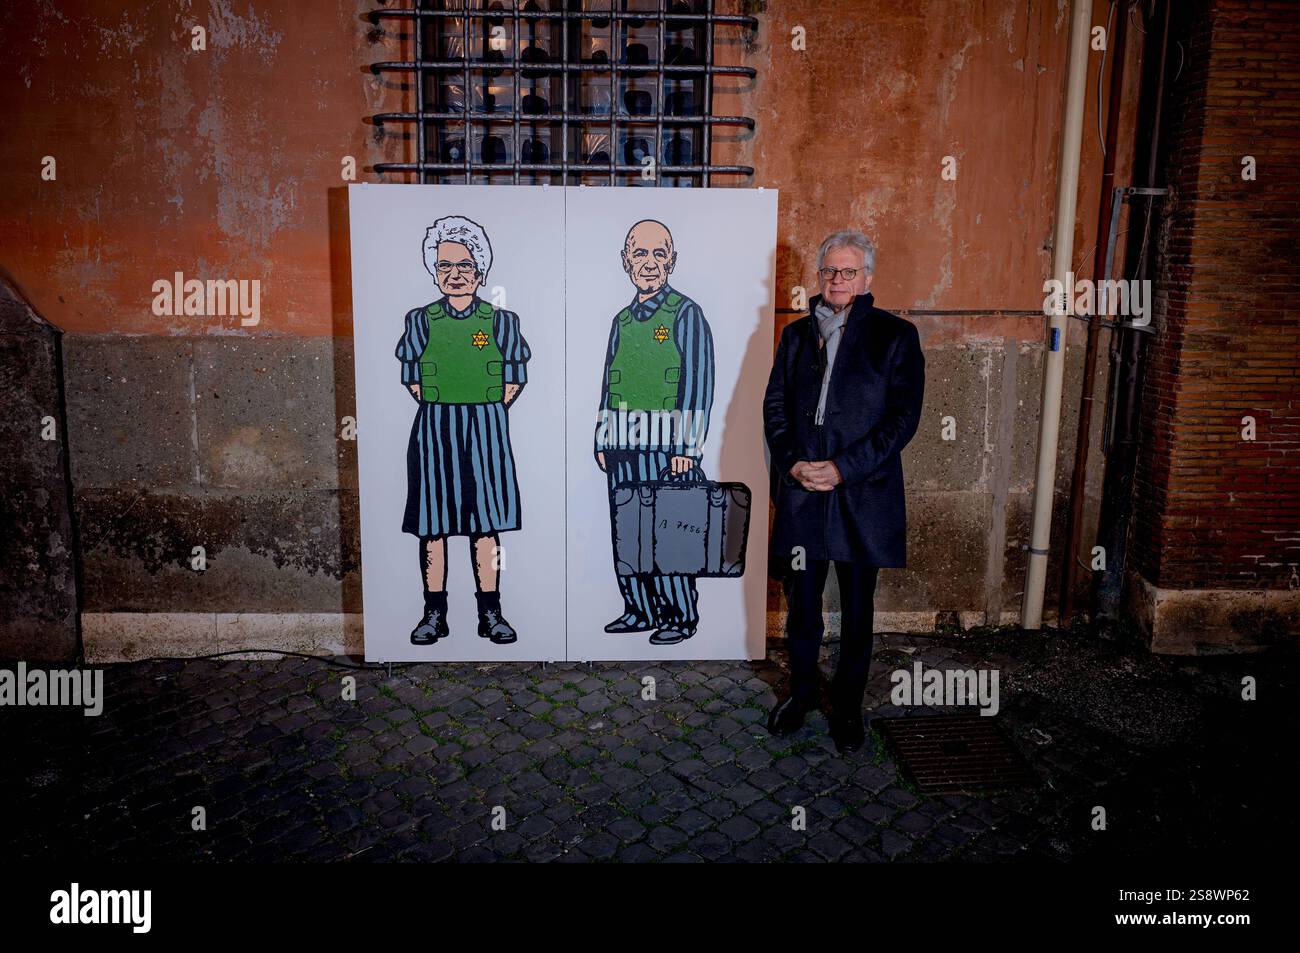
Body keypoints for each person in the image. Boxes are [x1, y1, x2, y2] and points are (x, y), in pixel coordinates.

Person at [762, 230, 925, 752]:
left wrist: (842, 468)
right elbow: (775, 409)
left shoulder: (895, 336)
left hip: (862, 495)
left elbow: (903, 420)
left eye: (848, 271)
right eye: (830, 270)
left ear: (868, 278)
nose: (837, 280)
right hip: (804, 493)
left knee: (858, 608)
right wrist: (794, 464)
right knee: (802, 602)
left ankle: (848, 705)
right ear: (820, 276)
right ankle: (802, 692)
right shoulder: (794, 337)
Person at [396, 215, 531, 646]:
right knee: (432, 526)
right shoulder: (419, 321)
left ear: (480, 270)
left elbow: (513, 380)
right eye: (445, 266)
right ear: (434, 271)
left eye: (465, 266)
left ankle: (490, 613)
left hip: (486, 428)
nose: (455, 275)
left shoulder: (501, 322)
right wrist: (448, 403)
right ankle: (434, 614)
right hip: (435, 428)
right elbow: (414, 380)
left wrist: (480, 406)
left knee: (485, 525)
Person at [594, 219, 715, 645]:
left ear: (672, 261)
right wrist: (602, 438)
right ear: (625, 261)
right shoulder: (621, 321)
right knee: (628, 530)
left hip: (667, 448)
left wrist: (688, 447)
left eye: (658, 254)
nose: (649, 263)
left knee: (669, 533)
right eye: (640, 254)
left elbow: (698, 384)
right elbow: (610, 383)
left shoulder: (686, 314)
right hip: (624, 443)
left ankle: (679, 616)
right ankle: (638, 609)